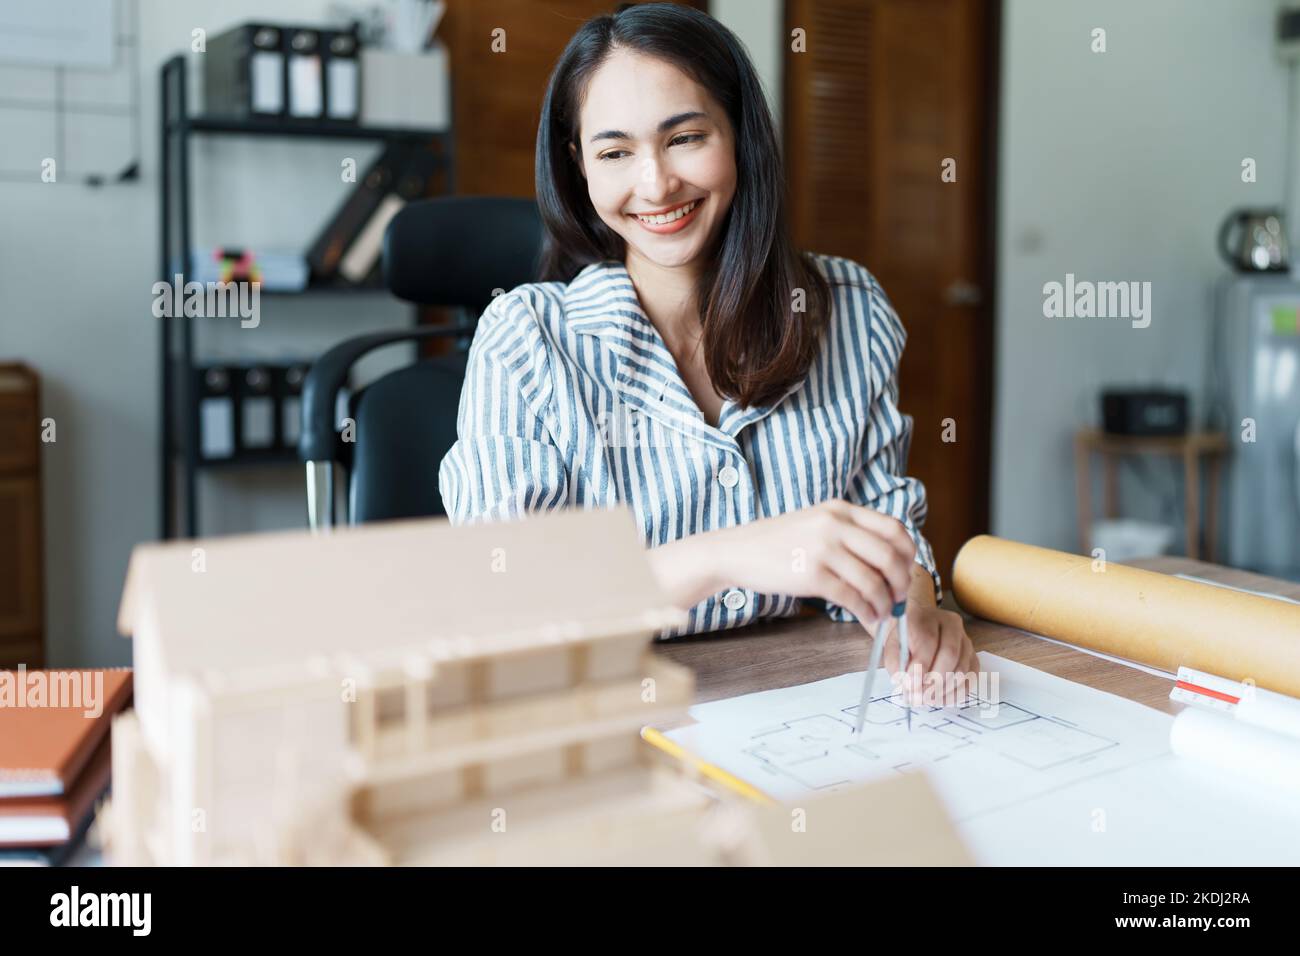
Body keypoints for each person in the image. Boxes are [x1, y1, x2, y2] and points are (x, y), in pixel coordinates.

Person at [439, 3, 977, 704]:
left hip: (797, 703)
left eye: (685, 137)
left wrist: (913, 604)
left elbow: (885, 528)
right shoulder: (526, 339)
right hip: (598, 719)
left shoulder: (848, 309)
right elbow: (504, 605)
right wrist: (722, 556)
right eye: (614, 152)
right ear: (580, 168)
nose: (656, 183)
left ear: (740, 135)